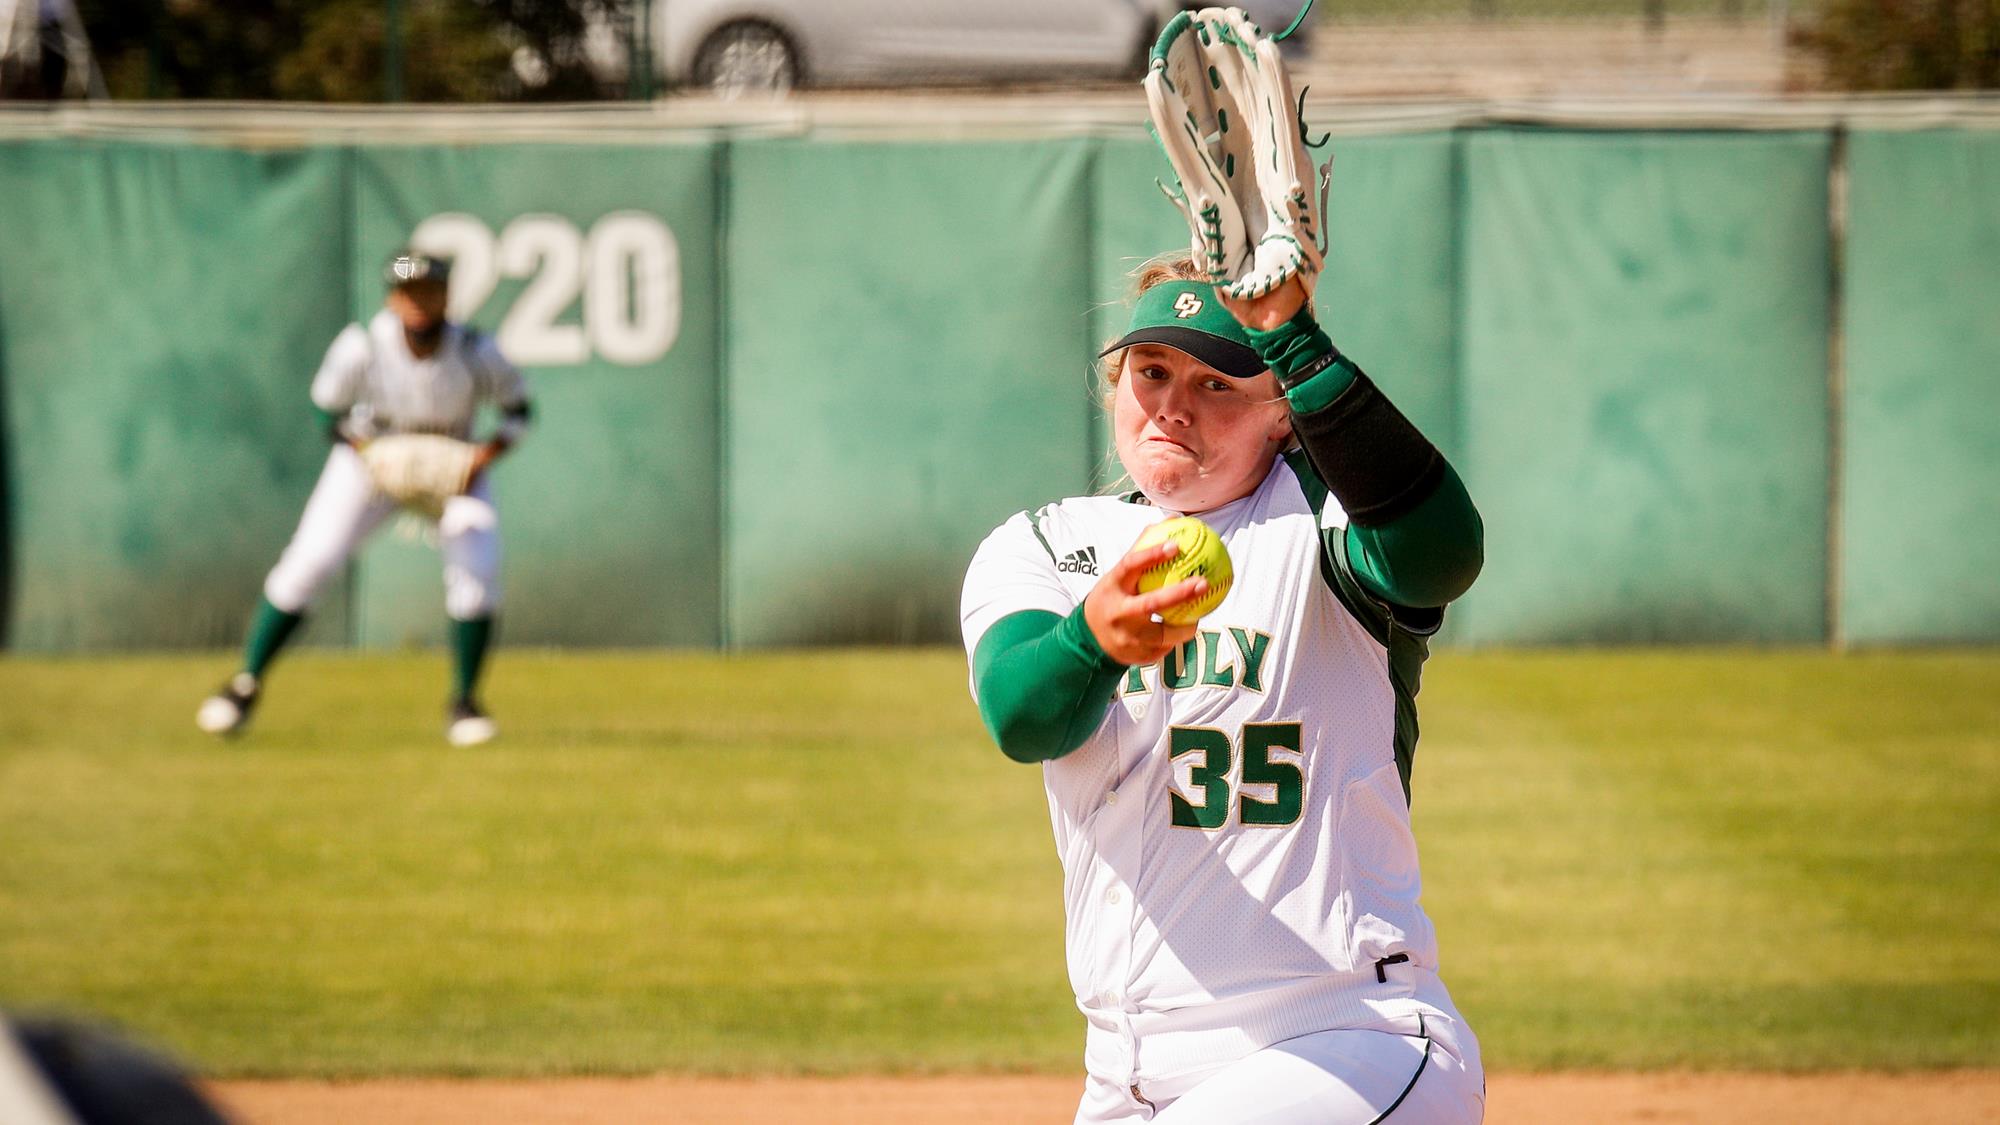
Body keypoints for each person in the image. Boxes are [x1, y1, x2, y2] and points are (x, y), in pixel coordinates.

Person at [960, 255, 1486, 1123]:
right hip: (1124, 1077)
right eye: (1152, 371)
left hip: (1345, 1037)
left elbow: (1443, 551)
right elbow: (1024, 718)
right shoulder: (1048, 546)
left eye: (1216, 383)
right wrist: (1093, 640)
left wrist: (1296, 342)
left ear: (1281, 413)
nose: (1173, 405)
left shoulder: (1321, 522)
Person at [197, 251, 532, 747]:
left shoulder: (477, 349)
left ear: (445, 296)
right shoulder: (363, 346)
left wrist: (481, 459)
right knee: (310, 561)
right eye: (408, 292)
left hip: (452, 467)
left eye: (428, 291)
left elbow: (518, 412)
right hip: (371, 465)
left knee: (477, 572)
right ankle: (244, 686)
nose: (418, 301)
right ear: (392, 299)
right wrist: (368, 453)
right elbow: (326, 411)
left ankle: (465, 702)